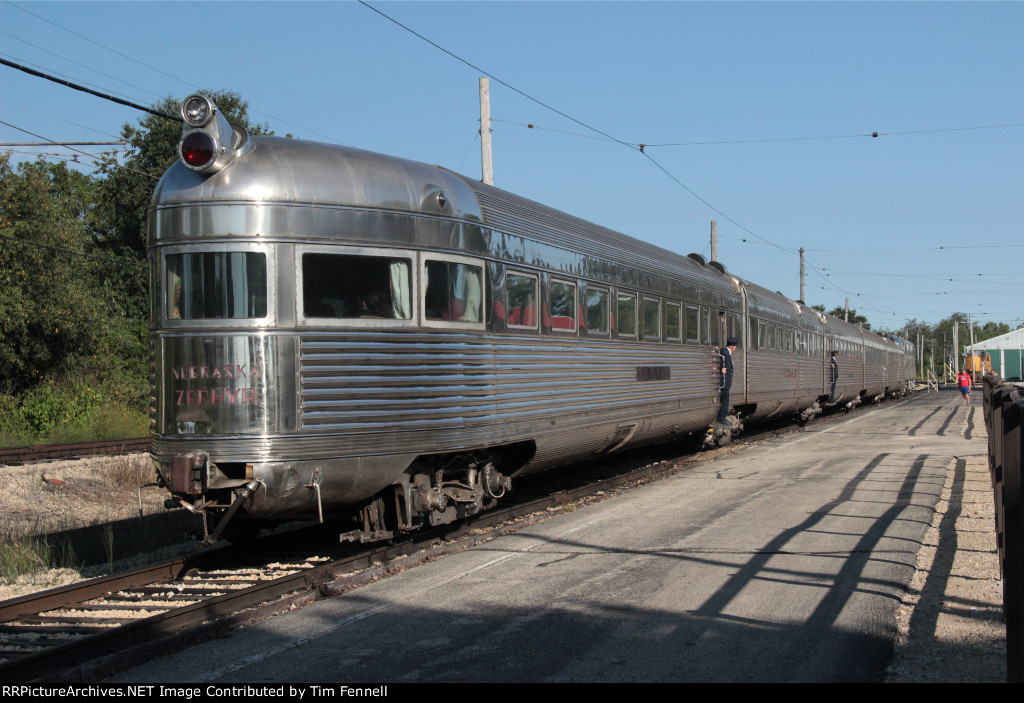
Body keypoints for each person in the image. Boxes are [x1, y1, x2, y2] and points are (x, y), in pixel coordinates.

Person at [714, 337, 740, 428]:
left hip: (726, 381)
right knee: (725, 400)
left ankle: (722, 417)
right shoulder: (724, 352)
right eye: (736, 346)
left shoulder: (727, 353)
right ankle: (722, 418)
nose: (736, 348)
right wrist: (721, 369)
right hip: (724, 382)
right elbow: (720, 361)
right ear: (732, 347)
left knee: (725, 400)